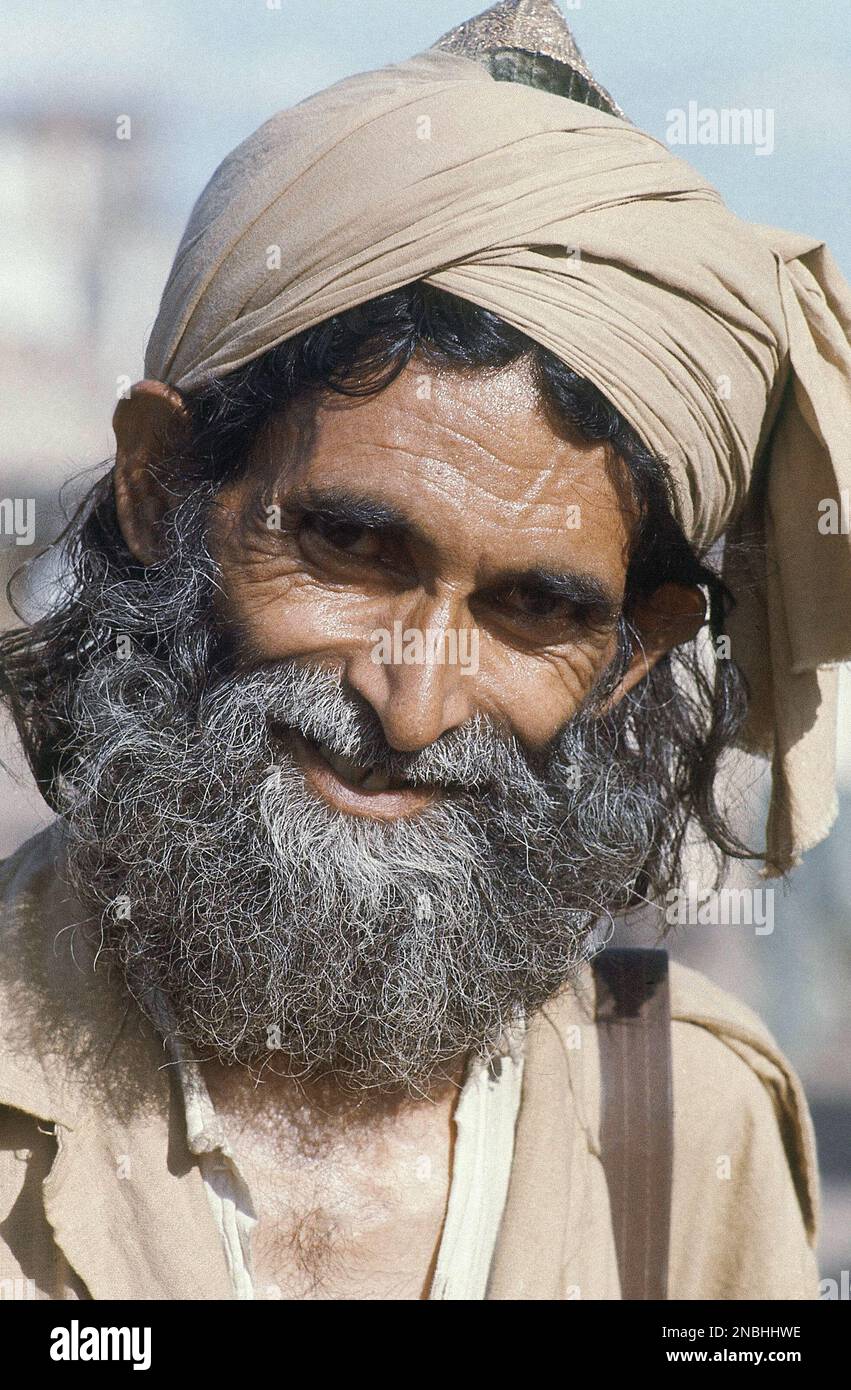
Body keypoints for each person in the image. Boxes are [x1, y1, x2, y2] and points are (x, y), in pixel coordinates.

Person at [1, 0, 848, 1300]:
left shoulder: (685, 1131)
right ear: (163, 489)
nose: (412, 704)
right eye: (351, 544)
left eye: (536, 607)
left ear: (632, 652)